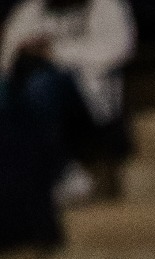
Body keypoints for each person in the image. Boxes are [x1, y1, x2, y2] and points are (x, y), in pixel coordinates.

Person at [0, 0, 134, 199]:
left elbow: (118, 49)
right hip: (26, 94)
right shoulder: (28, 11)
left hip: (89, 95)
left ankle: (63, 173)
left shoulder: (106, 5)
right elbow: (7, 62)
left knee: (41, 87)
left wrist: (54, 53)